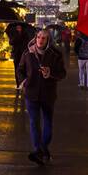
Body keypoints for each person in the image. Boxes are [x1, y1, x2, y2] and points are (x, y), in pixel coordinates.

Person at [16, 28, 66, 164]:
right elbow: (20, 69)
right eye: (38, 37)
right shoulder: (28, 53)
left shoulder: (55, 54)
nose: (40, 40)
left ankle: (42, 149)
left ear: (48, 40)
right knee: (34, 122)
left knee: (48, 121)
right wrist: (23, 81)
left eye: (43, 38)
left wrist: (50, 73)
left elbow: (62, 73)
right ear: (35, 38)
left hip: (48, 94)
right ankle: (38, 149)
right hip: (31, 93)